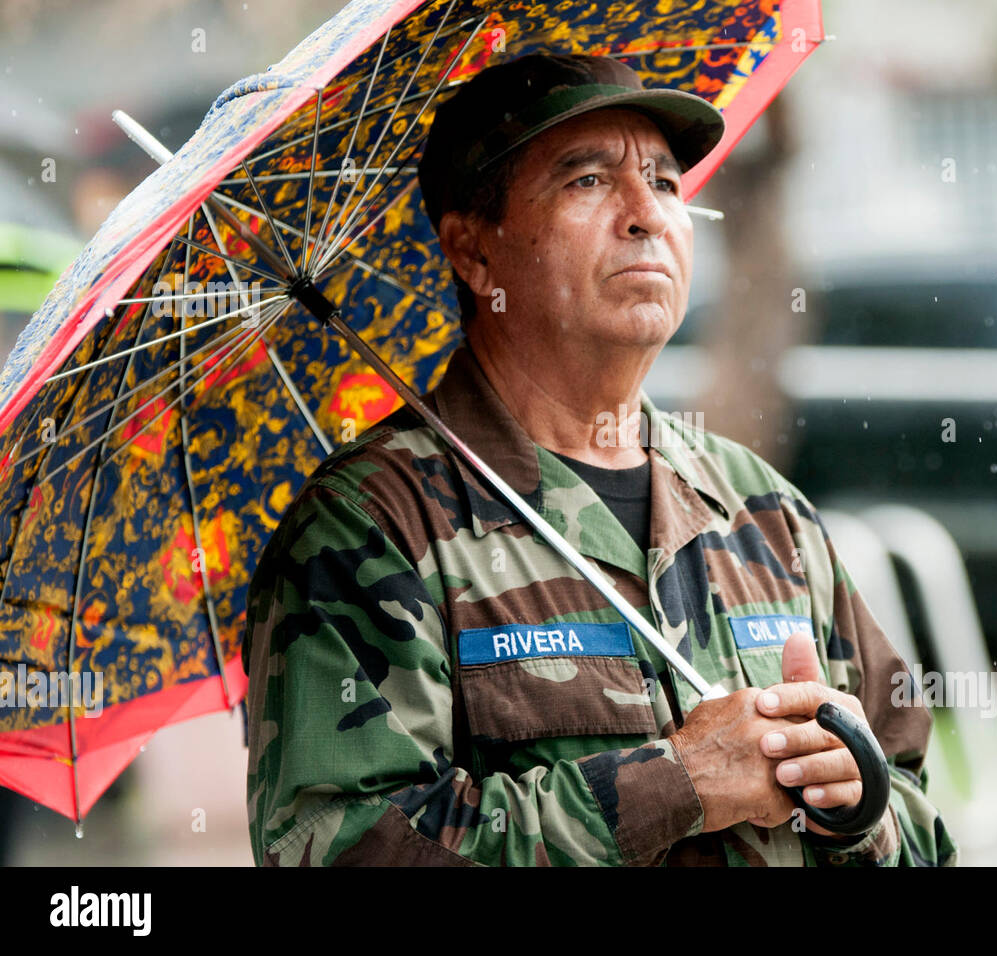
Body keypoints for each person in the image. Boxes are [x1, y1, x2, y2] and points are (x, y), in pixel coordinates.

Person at [242, 52, 958, 867]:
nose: (644, 213)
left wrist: (854, 810)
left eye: (663, 181)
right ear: (475, 252)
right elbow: (342, 847)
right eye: (586, 180)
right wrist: (678, 782)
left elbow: (920, 813)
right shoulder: (371, 528)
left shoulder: (766, 512)